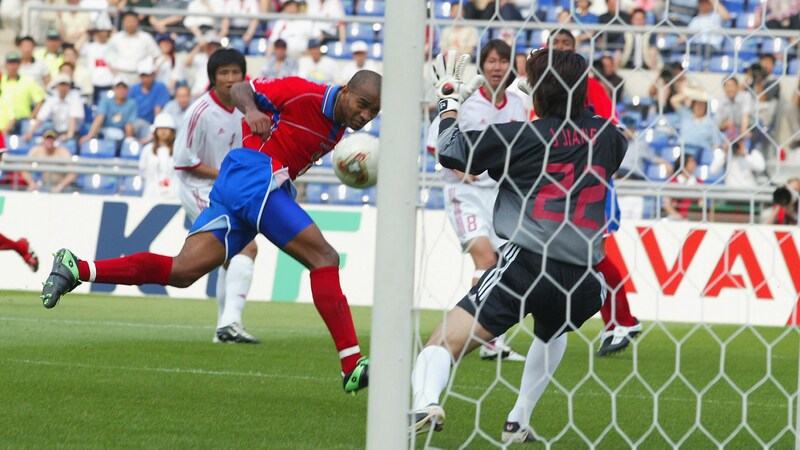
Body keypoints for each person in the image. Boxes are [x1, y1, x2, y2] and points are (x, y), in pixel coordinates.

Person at [40, 69, 383, 395]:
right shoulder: (305, 92)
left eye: (374, 111)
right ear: (346, 90)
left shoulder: (339, 127)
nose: (366, 115)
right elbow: (240, 88)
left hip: (244, 186)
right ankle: (351, 362)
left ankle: (77, 268)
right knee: (324, 257)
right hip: (255, 176)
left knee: (183, 271)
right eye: (362, 104)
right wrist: (251, 111)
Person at [411, 48, 626, 441]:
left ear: (539, 92)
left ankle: (425, 401)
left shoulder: (520, 137)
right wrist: (549, 100)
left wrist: (448, 101)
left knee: (443, 342)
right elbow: (594, 128)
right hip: (582, 278)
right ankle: (518, 419)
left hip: (527, 264)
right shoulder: (609, 138)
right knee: (551, 331)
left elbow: (450, 152)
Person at [427, 40, 526, 362]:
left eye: (503, 61)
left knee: (503, 267)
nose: (497, 67)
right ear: (481, 66)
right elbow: (435, 143)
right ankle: (488, 341)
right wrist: (461, 168)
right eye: (491, 61)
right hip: (465, 194)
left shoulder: (517, 104)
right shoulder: (466, 101)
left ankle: (482, 334)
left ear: (512, 67)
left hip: (502, 196)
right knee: (486, 261)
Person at [173, 49, 260, 344]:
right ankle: (230, 322)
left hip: (230, 189)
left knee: (231, 253)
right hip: (199, 188)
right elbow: (185, 161)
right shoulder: (199, 111)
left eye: (235, 72)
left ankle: (225, 329)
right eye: (224, 73)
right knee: (245, 248)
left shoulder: (249, 108)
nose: (230, 78)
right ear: (213, 78)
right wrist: (226, 174)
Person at [23, 74, 84, 143]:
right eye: (61, 85)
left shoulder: (75, 99)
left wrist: (69, 136)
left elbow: (73, 120)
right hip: (57, 132)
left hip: (73, 133)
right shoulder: (52, 100)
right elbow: (41, 118)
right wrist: (30, 133)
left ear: (69, 86)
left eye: (65, 85)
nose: (63, 88)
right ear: (57, 86)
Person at [80, 77, 137, 144]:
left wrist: (128, 141)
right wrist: (89, 136)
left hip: (121, 134)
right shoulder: (106, 101)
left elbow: (129, 124)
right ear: (113, 89)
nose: (121, 90)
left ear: (128, 90)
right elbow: (100, 118)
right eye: (118, 88)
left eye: (124, 88)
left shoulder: (131, 103)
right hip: (104, 132)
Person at [139, 112, 178, 199]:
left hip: (174, 194)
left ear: (172, 131)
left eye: (166, 128)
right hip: (151, 193)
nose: (163, 131)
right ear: (155, 131)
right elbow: (142, 172)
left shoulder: (178, 150)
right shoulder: (148, 150)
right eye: (160, 129)